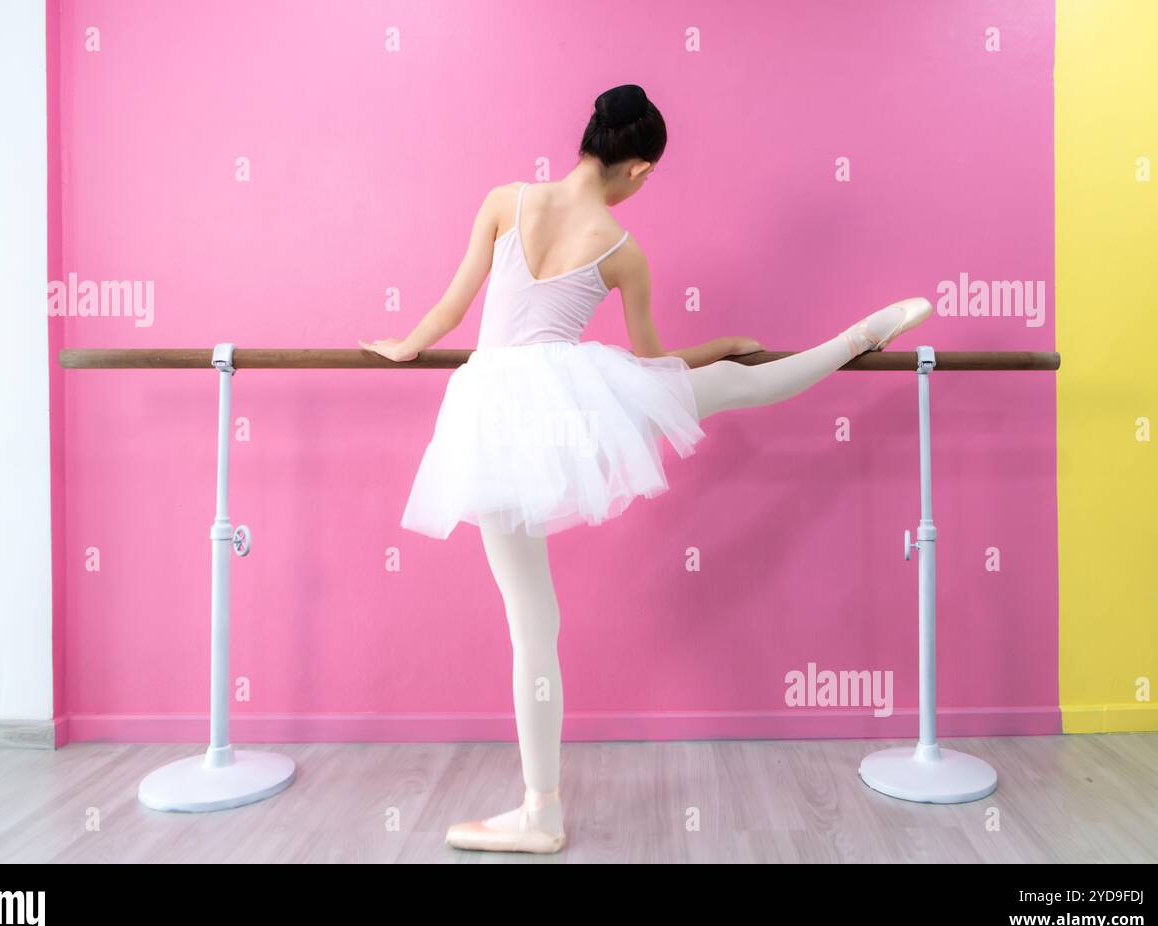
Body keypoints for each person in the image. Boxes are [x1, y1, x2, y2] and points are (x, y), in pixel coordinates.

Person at [361, 84, 932, 853]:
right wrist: (720, 345)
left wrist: (404, 342)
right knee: (730, 386)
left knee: (532, 626)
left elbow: (452, 309)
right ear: (636, 168)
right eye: (645, 176)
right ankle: (857, 337)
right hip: (572, 408)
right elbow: (650, 362)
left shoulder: (506, 199)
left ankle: (541, 809)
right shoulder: (621, 249)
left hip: (492, 415)